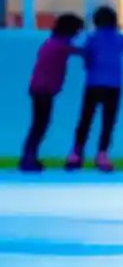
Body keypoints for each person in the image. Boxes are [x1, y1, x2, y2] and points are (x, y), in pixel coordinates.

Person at [67, 6, 123, 172]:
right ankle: (102, 154)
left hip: (93, 84)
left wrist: (88, 64)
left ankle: (76, 153)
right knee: (107, 122)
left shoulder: (93, 38)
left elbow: (86, 57)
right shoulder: (117, 38)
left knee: (85, 119)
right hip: (113, 86)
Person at [21, 13, 85, 172]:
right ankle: (28, 158)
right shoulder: (59, 44)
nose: (78, 34)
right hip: (43, 90)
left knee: (39, 125)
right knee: (39, 125)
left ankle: (29, 157)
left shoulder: (52, 42)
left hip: (41, 89)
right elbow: (78, 51)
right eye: (77, 30)